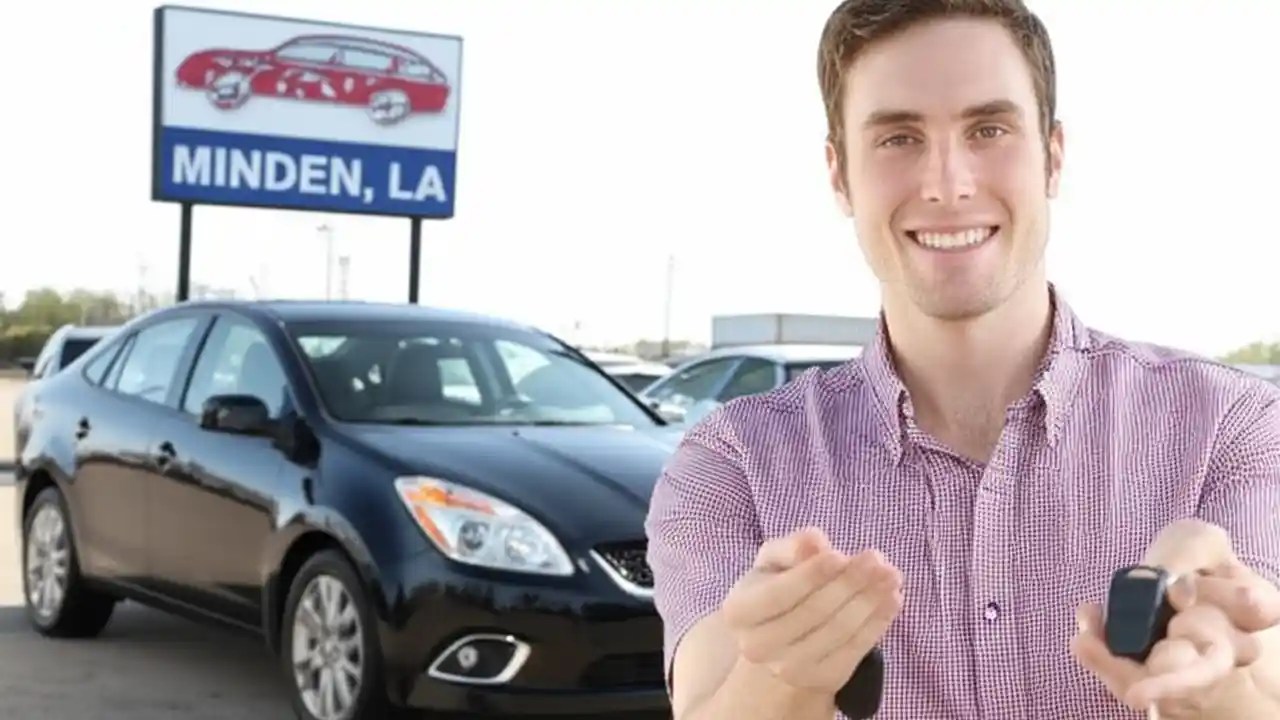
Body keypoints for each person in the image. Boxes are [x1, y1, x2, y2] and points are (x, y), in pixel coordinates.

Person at [642, 0, 1280, 718]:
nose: (948, 183)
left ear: (1054, 155)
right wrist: (787, 676)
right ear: (839, 174)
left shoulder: (1233, 427)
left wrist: (1222, 688)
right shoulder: (731, 467)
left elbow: (1266, 677)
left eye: (989, 129)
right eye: (898, 138)